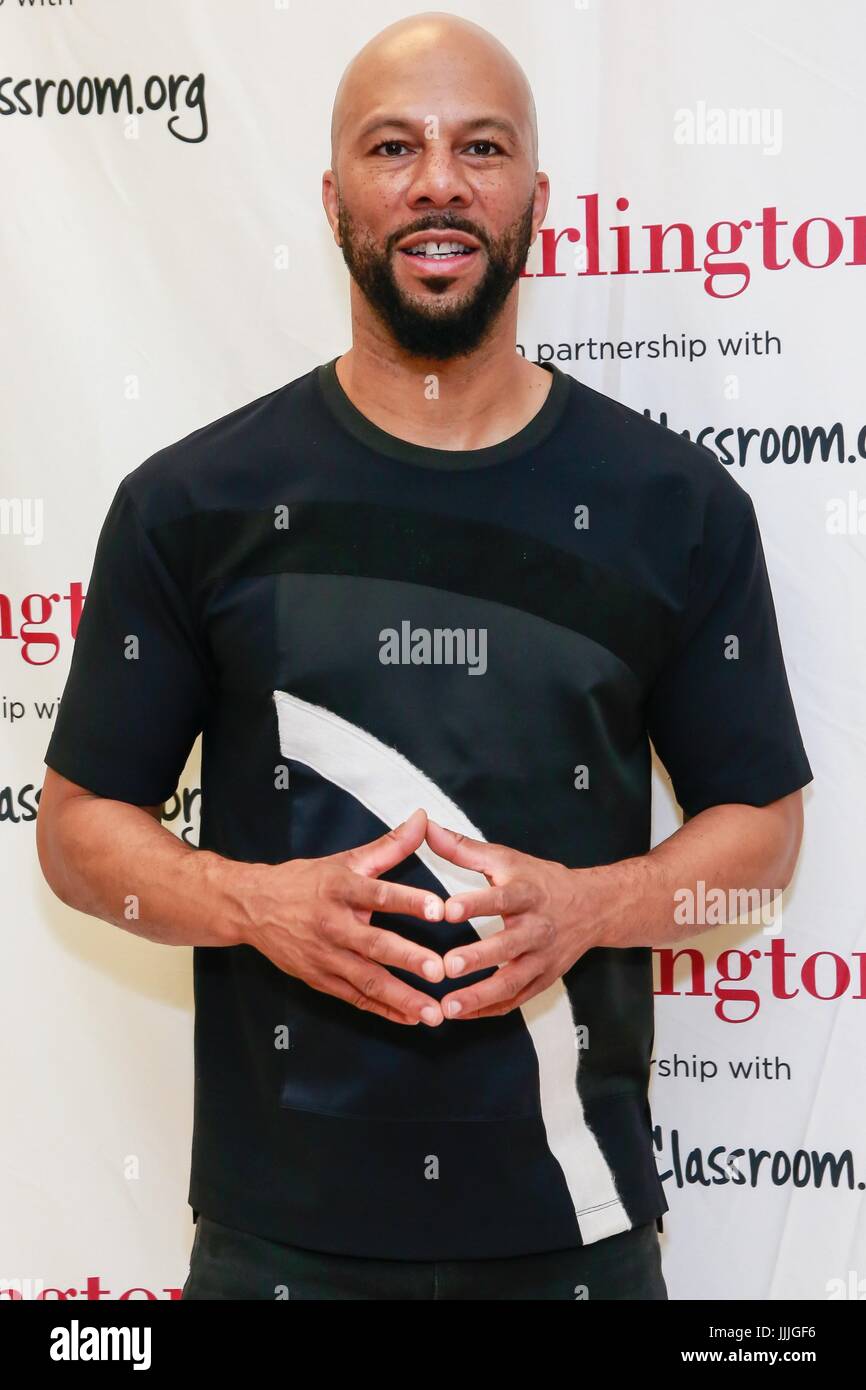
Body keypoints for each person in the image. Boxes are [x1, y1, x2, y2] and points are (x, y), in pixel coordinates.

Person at [36, 11, 813, 1301]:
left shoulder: (672, 505)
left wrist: (590, 909)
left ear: (537, 199)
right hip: (275, 1245)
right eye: (395, 147)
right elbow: (75, 835)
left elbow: (763, 838)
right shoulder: (194, 503)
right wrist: (255, 905)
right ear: (334, 196)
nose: (439, 182)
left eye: (482, 147)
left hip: (578, 1232)